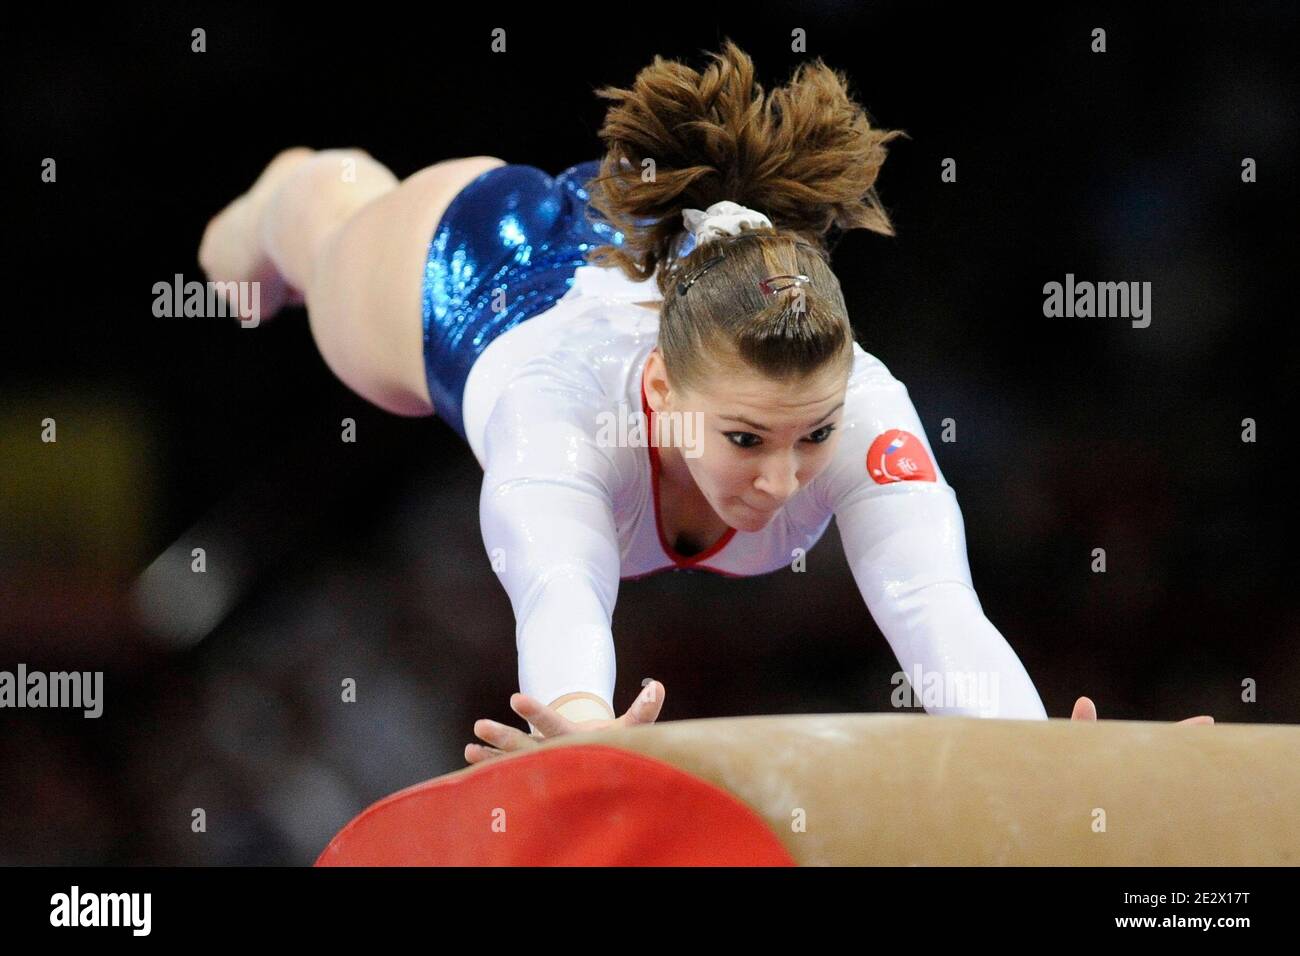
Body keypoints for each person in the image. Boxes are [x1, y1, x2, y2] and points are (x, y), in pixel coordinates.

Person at [197, 40, 1212, 764]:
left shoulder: (868, 410)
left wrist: (1050, 766)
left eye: (811, 434)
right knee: (310, 247)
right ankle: (299, 191)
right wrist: (579, 717)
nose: (780, 479)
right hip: (490, 268)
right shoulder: (561, 419)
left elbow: (935, 607)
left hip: (685, 273)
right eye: (743, 438)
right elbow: (556, 582)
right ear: (657, 392)